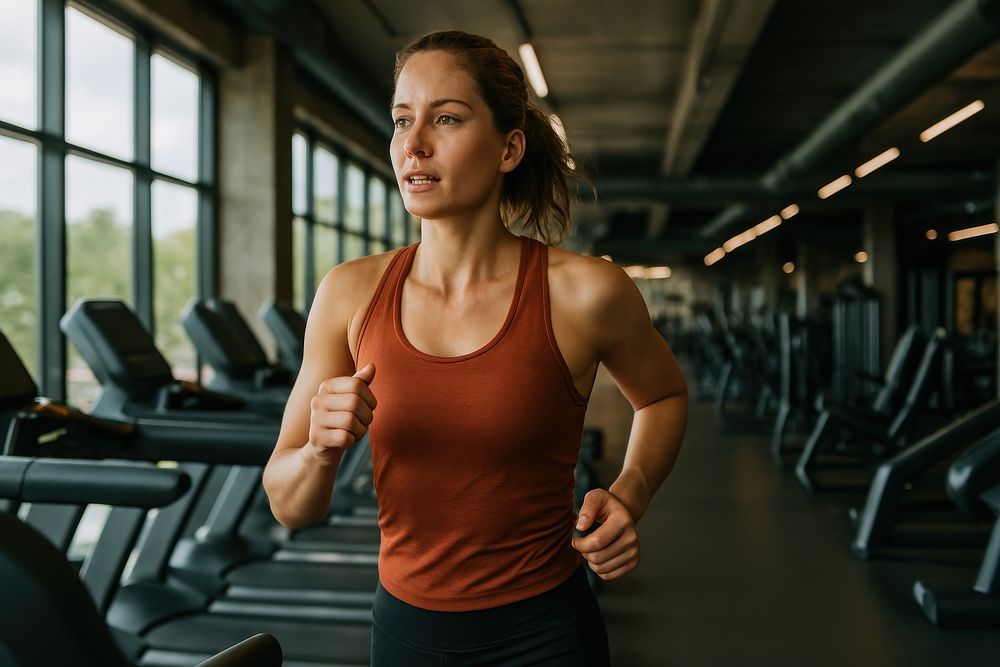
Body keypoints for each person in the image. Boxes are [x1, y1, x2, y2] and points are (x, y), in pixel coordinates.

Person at [262, 30, 688, 666]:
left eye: (447, 118)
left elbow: (664, 395)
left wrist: (630, 495)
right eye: (403, 120)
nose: (415, 143)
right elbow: (288, 503)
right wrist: (321, 452)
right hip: (406, 636)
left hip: (546, 634)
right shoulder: (349, 293)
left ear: (509, 147)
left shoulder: (584, 292)